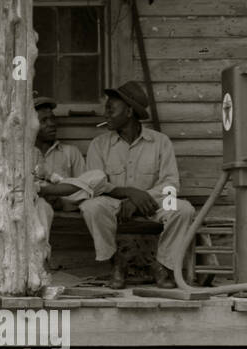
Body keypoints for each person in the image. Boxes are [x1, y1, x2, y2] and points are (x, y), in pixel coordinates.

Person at [78, 81, 194, 289]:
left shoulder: (160, 142)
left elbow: (171, 184)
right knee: (91, 207)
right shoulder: (99, 145)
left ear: (129, 111)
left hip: (152, 205)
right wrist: (129, 194)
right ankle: (116, 264)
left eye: (110, 108)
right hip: (114, 205)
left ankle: (162, 266)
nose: (106, 113)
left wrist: (144, 197)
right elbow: (93, 185)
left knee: (184, 210)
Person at [32, 93, 88, 236]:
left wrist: (62, 202)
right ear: (29, 125)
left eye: (52, 118)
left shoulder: (70, 152)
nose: (51, 124)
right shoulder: (20, 156)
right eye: (44, 120)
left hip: (68, 228)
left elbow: (85, 191)